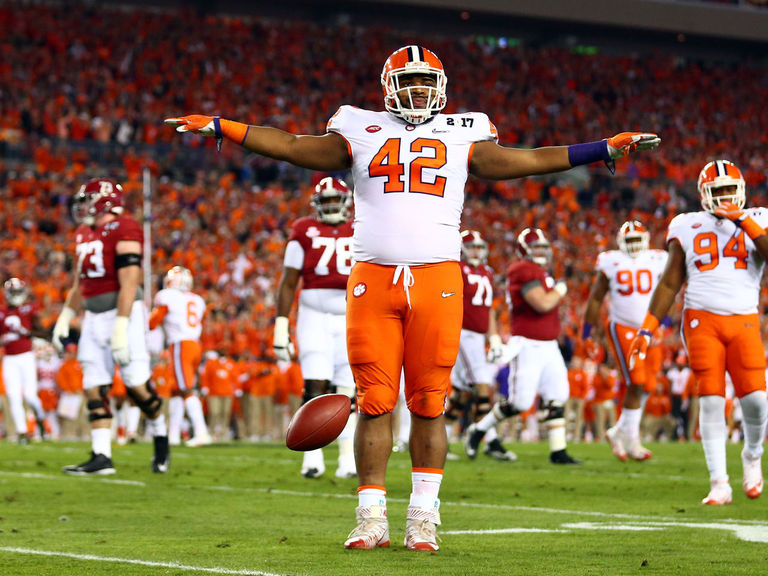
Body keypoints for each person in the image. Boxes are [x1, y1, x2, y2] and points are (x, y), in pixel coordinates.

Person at [166, 44, 659, 551]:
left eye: (426, 83)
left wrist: (601, 149)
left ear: (441, 88)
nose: (418, 91)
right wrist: (224, 126)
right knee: (375, 402)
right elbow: (293, 145)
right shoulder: (358, 126)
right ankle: (371, 515)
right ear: (388, 87)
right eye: (409, 82)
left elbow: (529, 159)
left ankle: (424, 516)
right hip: (373, 281)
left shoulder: (465, 132)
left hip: (439, 280)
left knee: (429, 404)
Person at [628, 160, 768, 505]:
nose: (724, 198)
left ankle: (752, 454)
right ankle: (719, 481)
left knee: (756, 400)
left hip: (744, 319)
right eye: (717, 191)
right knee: (710, 398)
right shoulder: (686, 224)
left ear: (741, 192)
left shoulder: (759, 218)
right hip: (700, 319)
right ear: (704, 195)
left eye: (729, 191)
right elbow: (670, 281)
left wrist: (744, 221)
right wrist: (647, 328)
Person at [51, 177, 170, 475]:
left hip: (124, 313)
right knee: (93, 384)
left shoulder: (126, 227)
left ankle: (160, 432)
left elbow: (130, 280)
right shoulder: (82, 232)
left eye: (87, 199)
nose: (82, 206)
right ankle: (102, 456)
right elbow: (81, 282)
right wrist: (66, 316)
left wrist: (121, 323)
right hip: (92, 316)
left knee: (136, 386)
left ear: (104, 200)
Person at [465, 227, 581, 464]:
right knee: (520, 403)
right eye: (536, 247)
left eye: (543, 247)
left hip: (549, 346)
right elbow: (542, 303)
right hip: (527, 345)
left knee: (558, 395)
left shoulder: (538, 270)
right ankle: (479, 429)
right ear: (524, 250)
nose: (541, 251)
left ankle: (558, 450)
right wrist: (559, 290)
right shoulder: (522, 269)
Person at [272, 176, 357, 480]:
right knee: (314, 386)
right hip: (314, 314)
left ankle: (348, 456)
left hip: (351, 314)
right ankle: (311, 455)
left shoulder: (360, 229)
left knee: (348, 390)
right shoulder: (304, 229)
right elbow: (289, 279)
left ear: (346, 203)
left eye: (336, 200)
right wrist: (281, 325)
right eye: (327, 201)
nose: (332, 206)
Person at [582, 220, 668, 461]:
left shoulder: (657, 259)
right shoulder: (611, 261)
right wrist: (587, 332)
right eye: (628, 241)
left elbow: (667, 291)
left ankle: (619, 432)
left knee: (648, 385)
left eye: (636, 240)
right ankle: (632, 440)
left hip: (649, 328)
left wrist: (665, 322)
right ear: (621, 243)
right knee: (636, 381)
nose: (632, 246)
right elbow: (596, 299)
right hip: (622, 327)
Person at [447, 230, 514, 461]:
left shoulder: (487, 271)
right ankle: (490, 439)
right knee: (482, 385)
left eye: (478, 246)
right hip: (462, 333)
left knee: (463, 393)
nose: (476, 251)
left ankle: (442, 438)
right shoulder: (456, 269)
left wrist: (493, 338)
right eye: (471, 246)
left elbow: (489, 311)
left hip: (478, 336)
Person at [149, 265, 212, 447]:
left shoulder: (168, 296)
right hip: (194, 344)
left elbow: (154, 322)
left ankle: (201, 432)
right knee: (176, 390)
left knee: (185, 389)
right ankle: (174, 434)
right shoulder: (198, 300)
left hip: (180, 344)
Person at [0, 278, 49, 442]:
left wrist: (26, 332)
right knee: (13, 396)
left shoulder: (29, 309)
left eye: (17, 292)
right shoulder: (2, 312)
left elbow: (43, 332)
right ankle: (22, 432)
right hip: (9, 358)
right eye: (12, 292)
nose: (15, 295)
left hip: (26, 356)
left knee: (29, 395)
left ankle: (41, 420)